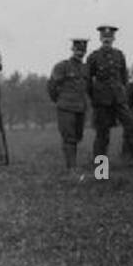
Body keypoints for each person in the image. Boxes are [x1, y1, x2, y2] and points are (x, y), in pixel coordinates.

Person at [85, 25, 133, 171]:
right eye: (104, 37)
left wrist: (122, 94)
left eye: (110, 37)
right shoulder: (93, 57)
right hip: (102, 100)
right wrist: (94, 98)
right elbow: (88, 81)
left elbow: (123, 78)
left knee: (131, 128)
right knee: (102, 134)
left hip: (119, 99)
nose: (107, 39)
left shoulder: (119, 55)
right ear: (100, 39)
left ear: (113, 39)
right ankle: (101, 170)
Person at [47, 39, 89, 170]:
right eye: (77, 50)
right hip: (66, 107)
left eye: (82, 51)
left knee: (77, 136)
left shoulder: (85, 68)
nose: (80, 53)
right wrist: (59, 101)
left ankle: (73, 165)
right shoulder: (62, 66)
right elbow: (52, 86)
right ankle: (71, 167)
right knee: (69, 137)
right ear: (72, 50)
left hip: (80, 108)